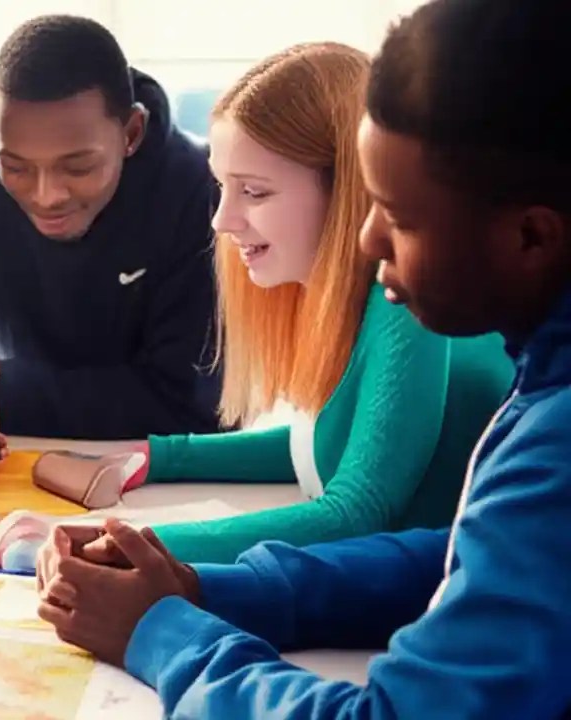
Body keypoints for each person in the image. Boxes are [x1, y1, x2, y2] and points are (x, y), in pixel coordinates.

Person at [35, 1, 571, 716]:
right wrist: (199, 590)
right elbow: (449, 559)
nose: (368, 239)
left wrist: (164, 633)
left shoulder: (557, 446)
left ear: (531, 239)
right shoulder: (544, 383)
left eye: (400, 218)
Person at [0, 40, 513, 567]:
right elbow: (312, 446)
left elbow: (355, 512)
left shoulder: (404, 305)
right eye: (222, 187)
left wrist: (103, 541)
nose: (222, 220)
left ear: (347, 188)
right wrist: (153, 458)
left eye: (255, 193)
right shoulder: (343, 300)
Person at [0, 15, 221, 485]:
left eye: (78, 167)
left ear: (131, 133)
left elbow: (189, 405)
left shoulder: (206, 197)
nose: (46, 195)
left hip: (175, 483)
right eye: (16, 166)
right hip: (15, 474)